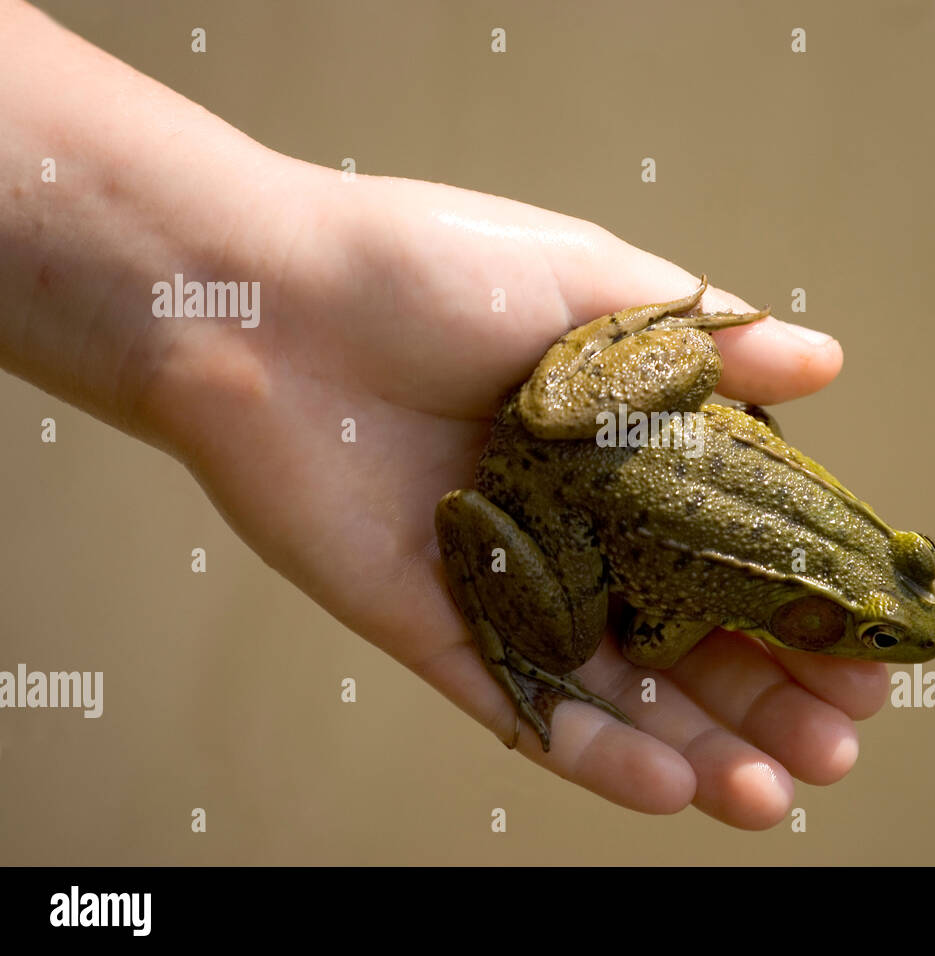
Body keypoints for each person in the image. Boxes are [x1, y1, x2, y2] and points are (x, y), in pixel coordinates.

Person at [0, 0, 888, 830]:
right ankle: (516, 625)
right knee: (579, 647)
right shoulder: (766, 590)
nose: (890, 632)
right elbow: (651, 645)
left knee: (695, 356)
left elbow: (751, 453)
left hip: (562, 419)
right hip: (549, 499)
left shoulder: (816, 501)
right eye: (875, 627)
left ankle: (626, 371)